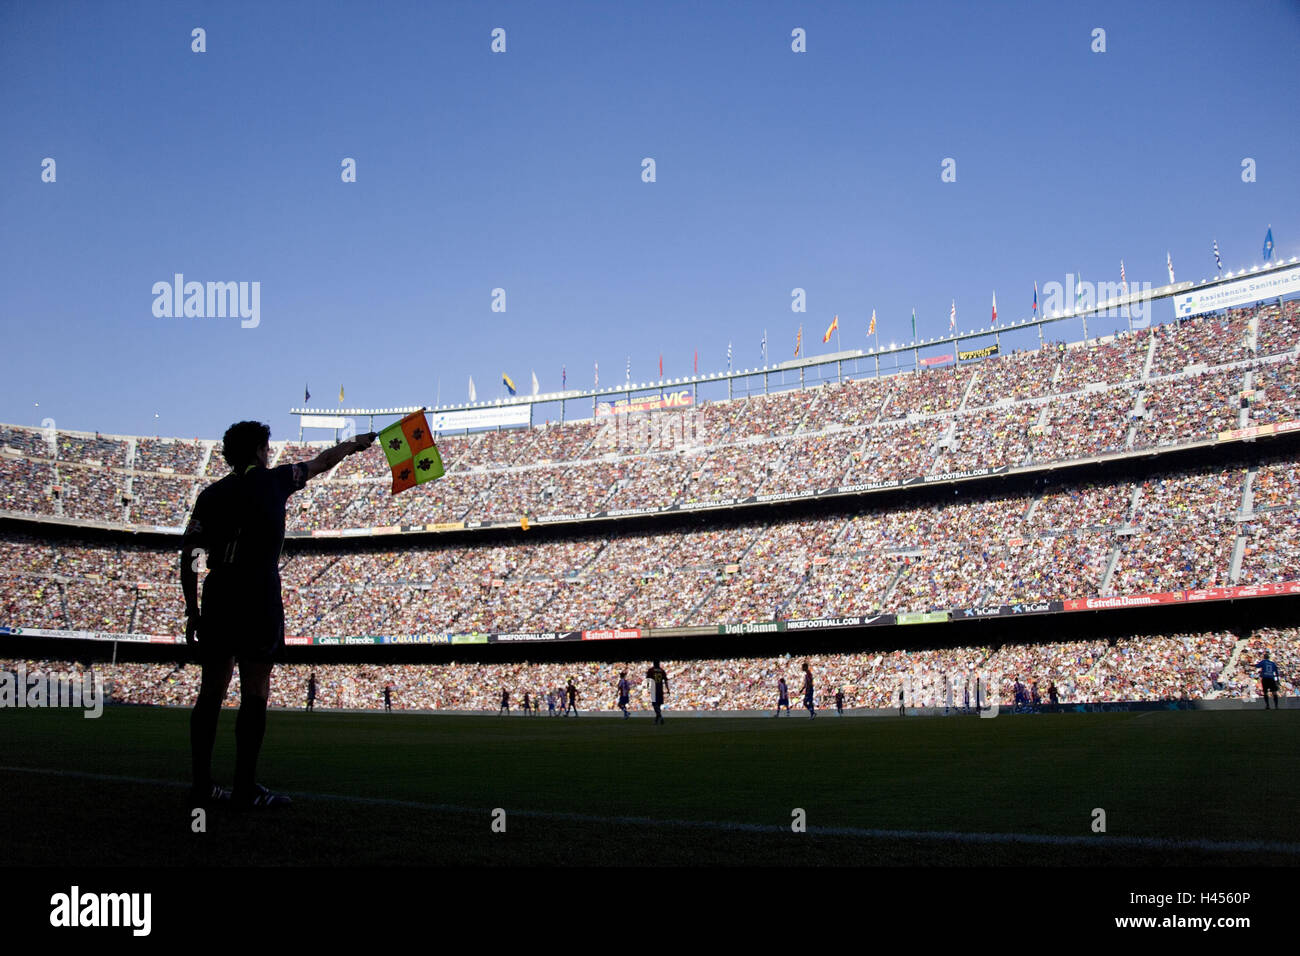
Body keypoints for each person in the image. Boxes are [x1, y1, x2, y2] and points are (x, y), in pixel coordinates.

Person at [181, 420, 376, 810]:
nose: (268, 453)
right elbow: (323, 461)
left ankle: (201, 787)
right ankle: (244, 788)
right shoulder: (276, 480)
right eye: (266, 447)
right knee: (255, 689)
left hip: (218, 592)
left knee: (211, 692)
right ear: (258, 450)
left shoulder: (211, 495)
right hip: (257, 592)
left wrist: (192, 609)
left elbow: (190, 557)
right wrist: (355, 443)